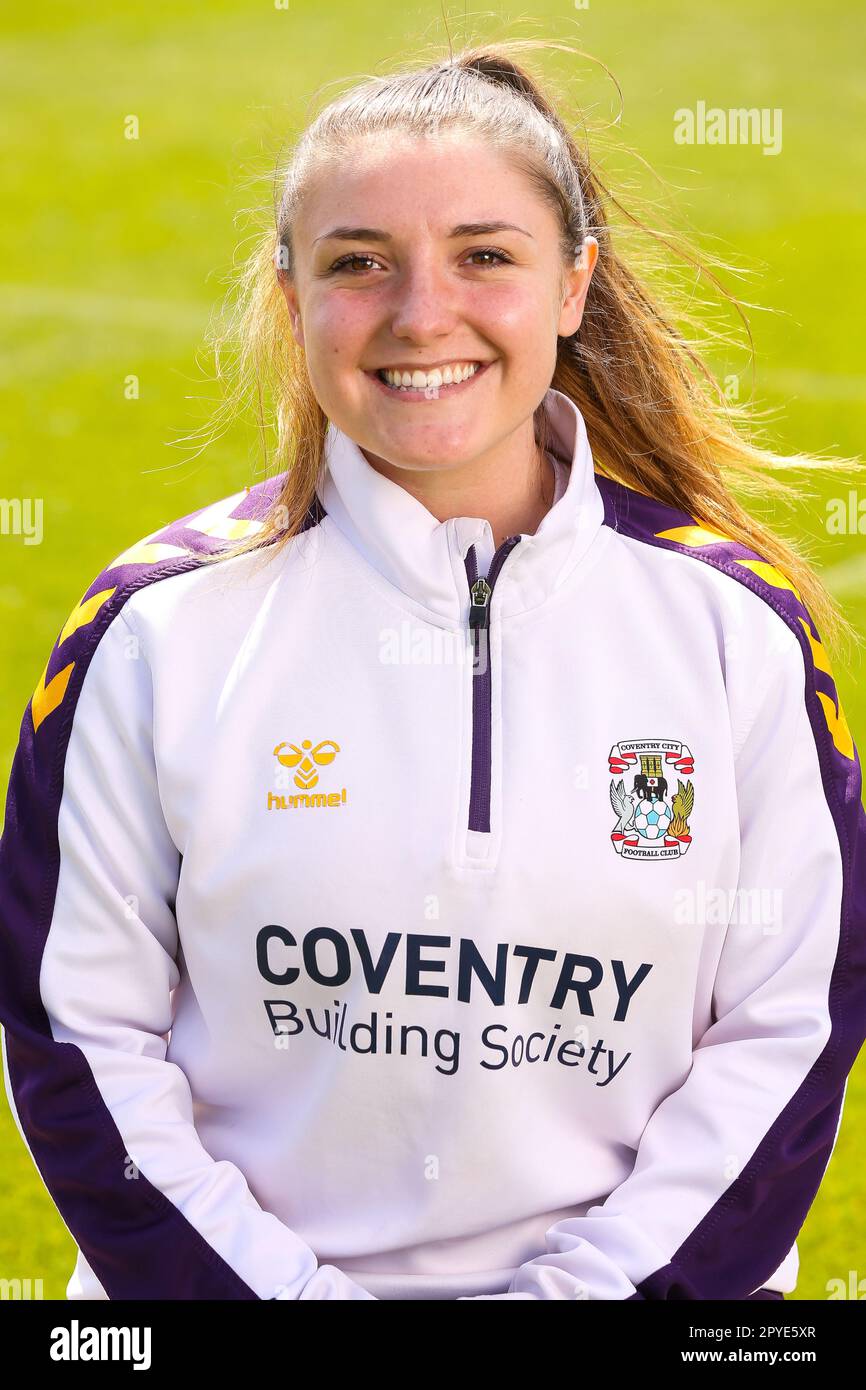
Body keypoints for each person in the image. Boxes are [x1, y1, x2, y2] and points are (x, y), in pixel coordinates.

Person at [1, 42, 865, 1303]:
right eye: (357, 262)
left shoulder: (735, 627)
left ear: (572, 283)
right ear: (289, 293)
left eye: (484, 255)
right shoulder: (155, 629)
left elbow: (790, 1022)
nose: (419, 314)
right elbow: (77, 1035)